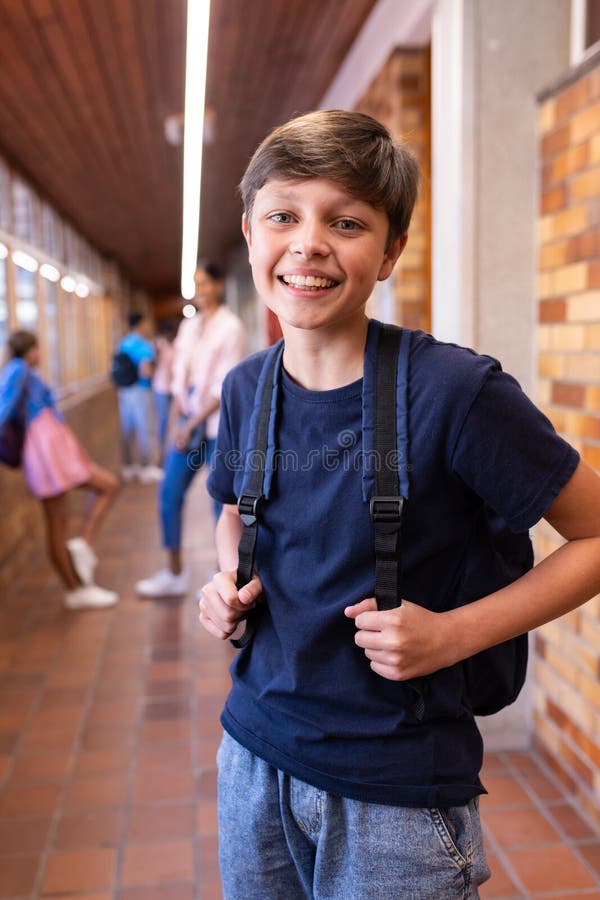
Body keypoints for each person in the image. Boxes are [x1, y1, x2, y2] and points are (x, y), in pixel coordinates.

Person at [197, 110, 600, 899]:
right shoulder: (246, 387)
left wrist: (452, 634)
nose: (309, 242)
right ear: (251, 234)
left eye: (345, 222)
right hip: (251, 755)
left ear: (389, 252)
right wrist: (225, 583)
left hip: (397, 788)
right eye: (284, 215)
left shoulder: (455, 392)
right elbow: (233, 512)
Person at [135, 262, 245, 598]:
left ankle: (221, 578)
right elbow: (177, 381)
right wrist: (173, 426)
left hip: (216, 428)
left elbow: (223, 385)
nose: (199, 290)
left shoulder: (231, 327)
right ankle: (174, 572)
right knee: (168, 494)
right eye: (195, 284)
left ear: (219, 285)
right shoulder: (189, 325)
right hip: (185, 425)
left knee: (221, 504)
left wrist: (192, 424)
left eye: (204, 283)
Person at [0, 330, 120, 609]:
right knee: (57, 520)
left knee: (102, 488)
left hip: (52, 446)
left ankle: (83, 548)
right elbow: (3, 409)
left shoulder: (20, 370)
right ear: (30, 350)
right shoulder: (17, 370)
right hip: (45, 449)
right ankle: (74, 589)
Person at [116, 311, 162, 483]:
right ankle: (147, 466)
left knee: (127, 428)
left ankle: (128, 466)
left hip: (124, 391)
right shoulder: (144, 345)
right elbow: (146, 370)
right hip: (140, 390)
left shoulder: (123, 343)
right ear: (141, 324)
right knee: (145, 428)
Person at [152, 318, 178, 464]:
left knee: (172, 420)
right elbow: (153, 362)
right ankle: (162, 453)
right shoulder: (159, 344)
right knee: (163, 420)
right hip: (161, 388)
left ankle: (170, 452)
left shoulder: (176, 344)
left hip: (173, 388)